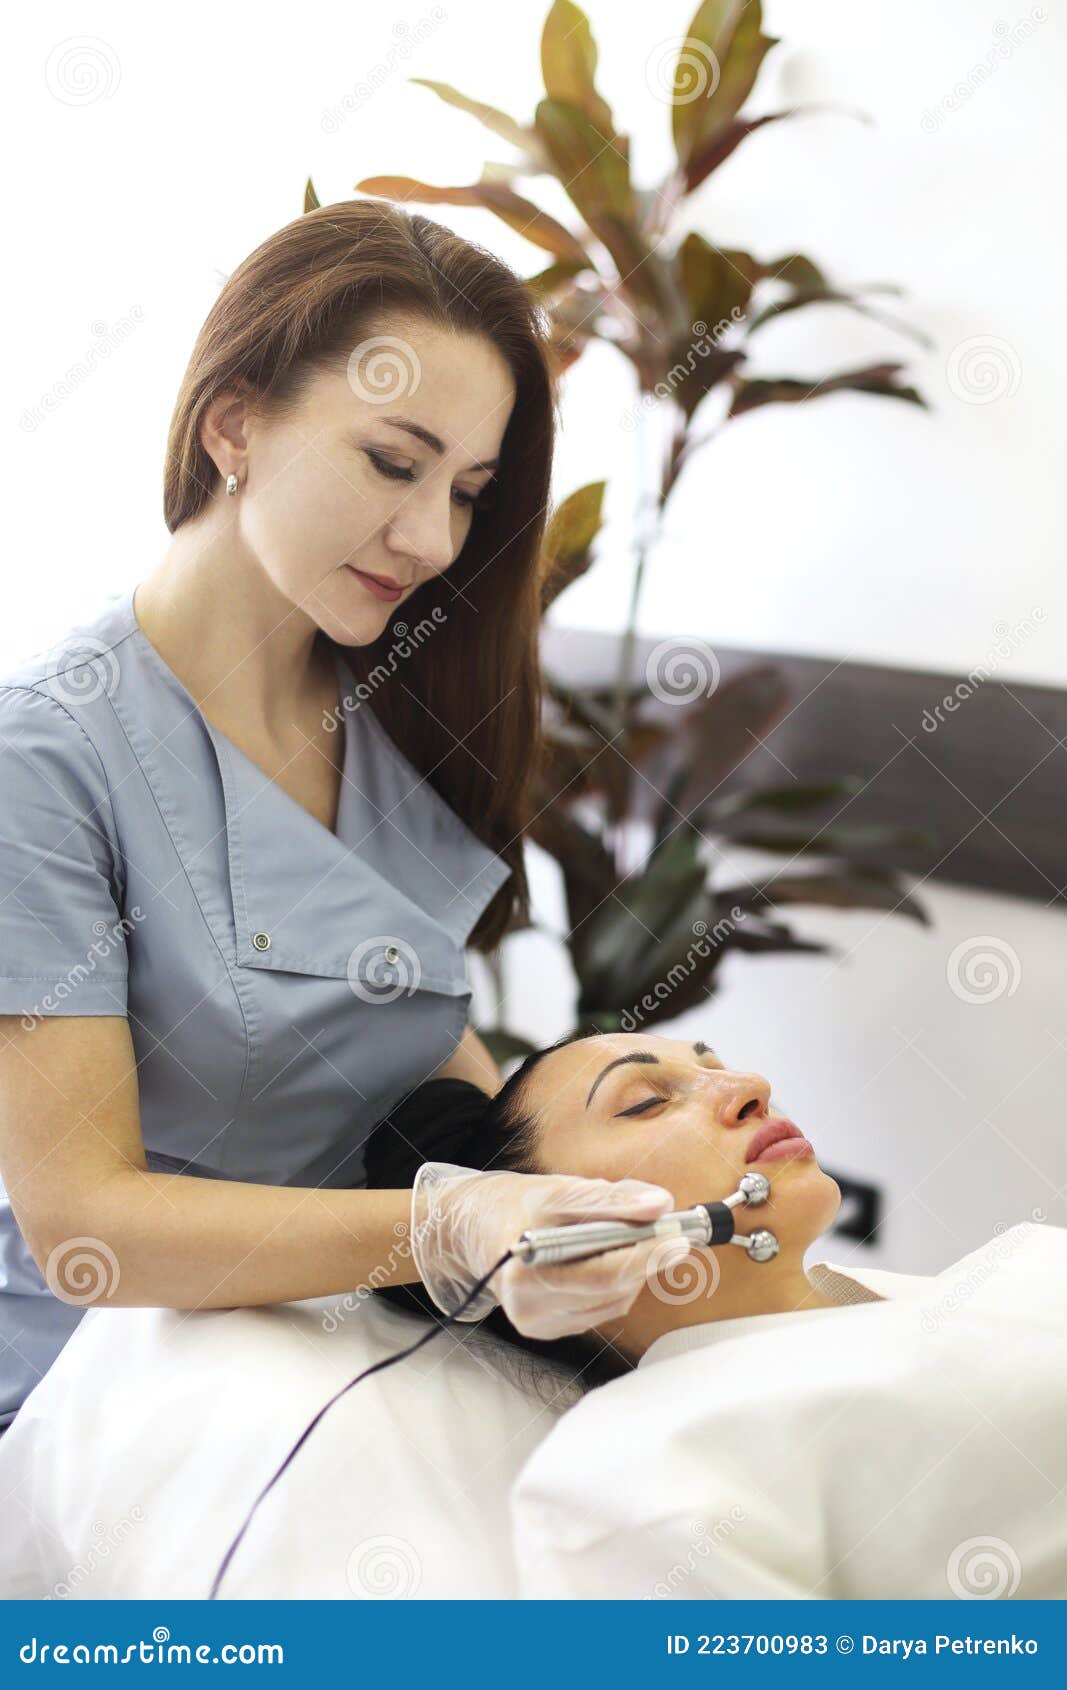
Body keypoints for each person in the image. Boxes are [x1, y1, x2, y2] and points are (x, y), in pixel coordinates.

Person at [0, 200, 681, 1436]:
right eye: (390, 461)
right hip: (90, 1430)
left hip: (332, 1380)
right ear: (234, 422)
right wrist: (443, 1226)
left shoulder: (392, 713)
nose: (429, 538)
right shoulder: (42, 758)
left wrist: (602, 1190)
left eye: (468, 491)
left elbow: (420, 1054)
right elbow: (85, 1227)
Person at [364, 1029, 1067, 1599]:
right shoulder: (638, 1480)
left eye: (714, 1066)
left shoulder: (999, 1273)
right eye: (644, 1103)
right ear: (556, 1230)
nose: (750, 1088)